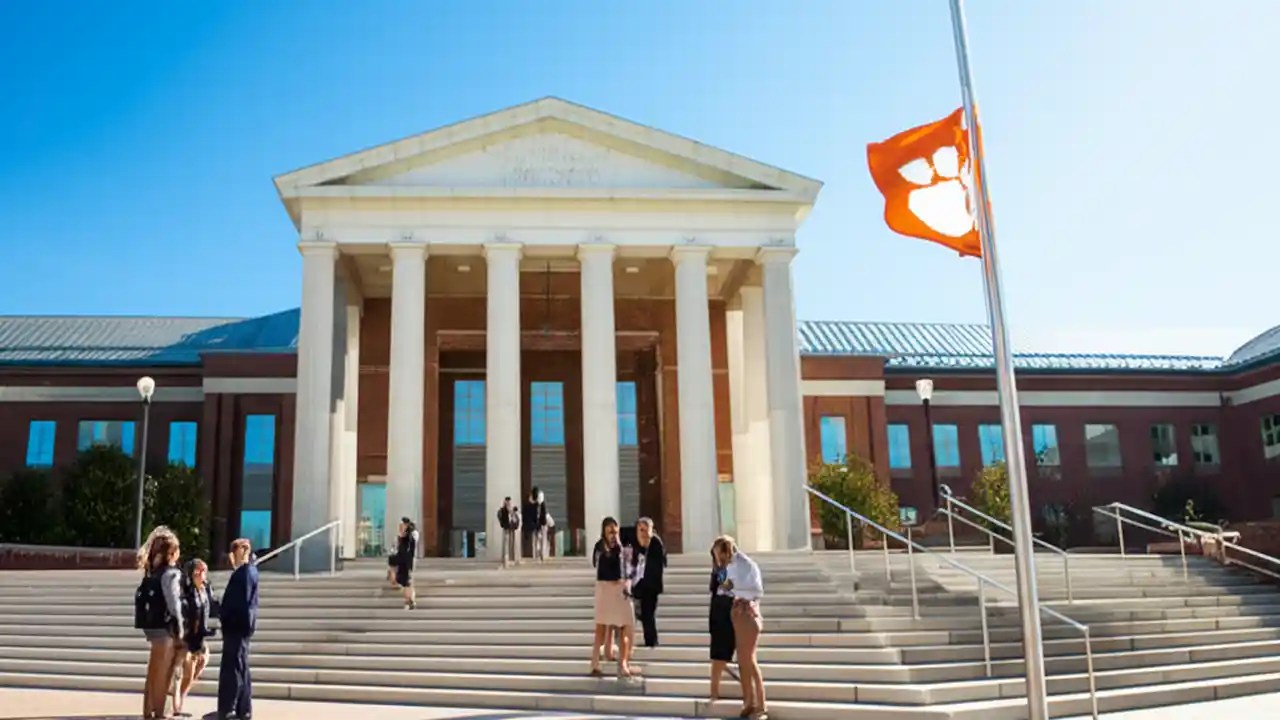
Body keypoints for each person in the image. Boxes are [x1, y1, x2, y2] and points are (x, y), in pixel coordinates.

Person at [714, 535, 767, 719]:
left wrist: (732, 589)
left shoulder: (746, 565)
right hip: (737, 611)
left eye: (719, 554)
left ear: (726, 550)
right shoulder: (728, 566)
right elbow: (723, 587)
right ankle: (749, 701)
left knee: (749, 660)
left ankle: (760, 705)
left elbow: (755, 590)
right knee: (743, 661)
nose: (718, 559)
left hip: (748, 612)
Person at [135, 527, 183, 720]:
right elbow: (173, 602)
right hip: (165, 626)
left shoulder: (152, 571)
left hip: (151, 624)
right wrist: (181, 625)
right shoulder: (171, 573)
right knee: (163, 672)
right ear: (171, 553)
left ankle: (148, 710)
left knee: (153, 669)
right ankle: (160, 712)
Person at [589, 517, 636, 679]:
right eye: (610, 532)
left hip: (619, 590)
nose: (613, 535)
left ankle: (623, 663)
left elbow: (625, 567)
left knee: (624, 627)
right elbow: (599, 563)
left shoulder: (620, 547)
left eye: (615, 532)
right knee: (601, 627)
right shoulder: (600, 547)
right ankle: (595, 663)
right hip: (605, 589)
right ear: (604, 532)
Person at [218, 538, 259, 720]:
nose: (232, 557)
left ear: (243, 551)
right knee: (240, 666)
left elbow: (242, 603)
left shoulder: (246, 573)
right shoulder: (245, 572)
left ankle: (231, 707)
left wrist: (227, 617)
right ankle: (243, 708)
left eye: (234, 552)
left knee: (234, 668)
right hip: (238, 627)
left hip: (237, 627)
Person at [171, 558, 217, 718]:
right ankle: (176, 706)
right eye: (198, 571)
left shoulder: (205, 590)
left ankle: (179, 700)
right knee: (183, 672)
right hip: (186, 637)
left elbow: (212, 608)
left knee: (200, 664)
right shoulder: (186, 592)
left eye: (204, 571)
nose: (202, 574)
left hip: (199, 637)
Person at [630, 517, 667, 653]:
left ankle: (651, 642)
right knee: (635, 614)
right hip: (637, 585)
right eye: (641, 530)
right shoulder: (634, 544)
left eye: (646, 530)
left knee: (648, 613)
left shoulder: (656, 543)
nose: (644, 534)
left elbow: (658, 565)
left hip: (651, 586)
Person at [707, 546, 736, 704]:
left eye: (720, 553)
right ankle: (714, 692)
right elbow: (716, 589)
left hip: (732, 612)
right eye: (715, 555)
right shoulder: (717, 570)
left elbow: (728, 585)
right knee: (718, 655)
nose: (718, 557)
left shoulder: (735, 569)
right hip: (719, 614)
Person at [393, 517, 419, 609]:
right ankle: (409, 600)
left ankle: (410, 600)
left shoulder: (412, 534)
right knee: (404, 581)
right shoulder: (401, 536)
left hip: (408, 561)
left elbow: (411, 547)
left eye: (402, 526)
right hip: (402, 561)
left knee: (408, 581)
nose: (400, 528)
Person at [497, 497, 521, 567]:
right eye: (507, 502)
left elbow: (517, 519)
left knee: (512, 543)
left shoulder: (513, 510)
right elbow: (499, 516)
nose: (508, 504)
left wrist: (513, 514)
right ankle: (505, 558)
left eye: (509, 503)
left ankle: (512, 558)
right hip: (506, 527)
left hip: (512, 528)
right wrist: (502, 523)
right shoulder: (502, 510)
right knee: (506, 543)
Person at [521, 487, 540, 561]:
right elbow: (536, 517)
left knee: (530, 542)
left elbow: (524, 515)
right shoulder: (536, 505)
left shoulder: (526, 504)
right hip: (533, 525)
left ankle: (531, 555)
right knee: (534, 542)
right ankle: (535, 555)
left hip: (528, 525)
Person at [533, 489, 550, 563]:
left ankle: (541, 555)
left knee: (541, 541)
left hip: (542, 525)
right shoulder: (537, 506)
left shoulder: (543, 505)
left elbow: (544, 516)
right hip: (539, 526)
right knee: (538, 541)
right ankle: (539, 555)